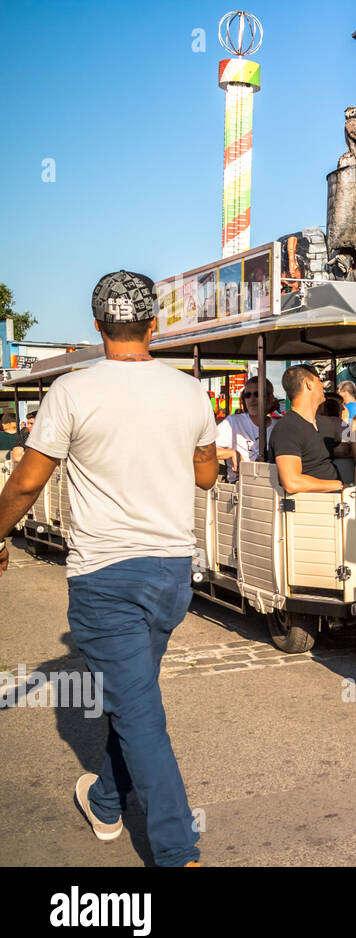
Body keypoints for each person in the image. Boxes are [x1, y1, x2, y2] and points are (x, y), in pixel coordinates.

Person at [0, 270, 217, 866]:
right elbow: (205, 475)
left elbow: (25, 483)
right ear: (154, 325)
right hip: (171, 573)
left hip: (105, 578)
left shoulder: (72, 391)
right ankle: (103, 800)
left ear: (97, 326)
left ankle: (178, 853)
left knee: (140, 714)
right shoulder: (190, 392)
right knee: (135, 700)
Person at [267, 365, 344, 493]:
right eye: (319, 380)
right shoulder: (287, 428)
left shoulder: (325, 424)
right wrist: (339, 485)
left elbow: (343, 450)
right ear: (308, 384)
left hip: (339, 501)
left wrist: (353, 426)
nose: (323, 385)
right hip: (309, 506)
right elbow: (292, 482)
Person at [214, 377, 276, 478]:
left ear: (269, 398)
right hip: (240, 486)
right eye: (247, 395)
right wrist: (231, 453)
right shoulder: (233, 422)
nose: (252, 399)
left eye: (257, 394)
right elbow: (204, 448)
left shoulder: (278, 426)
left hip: (272, 485)